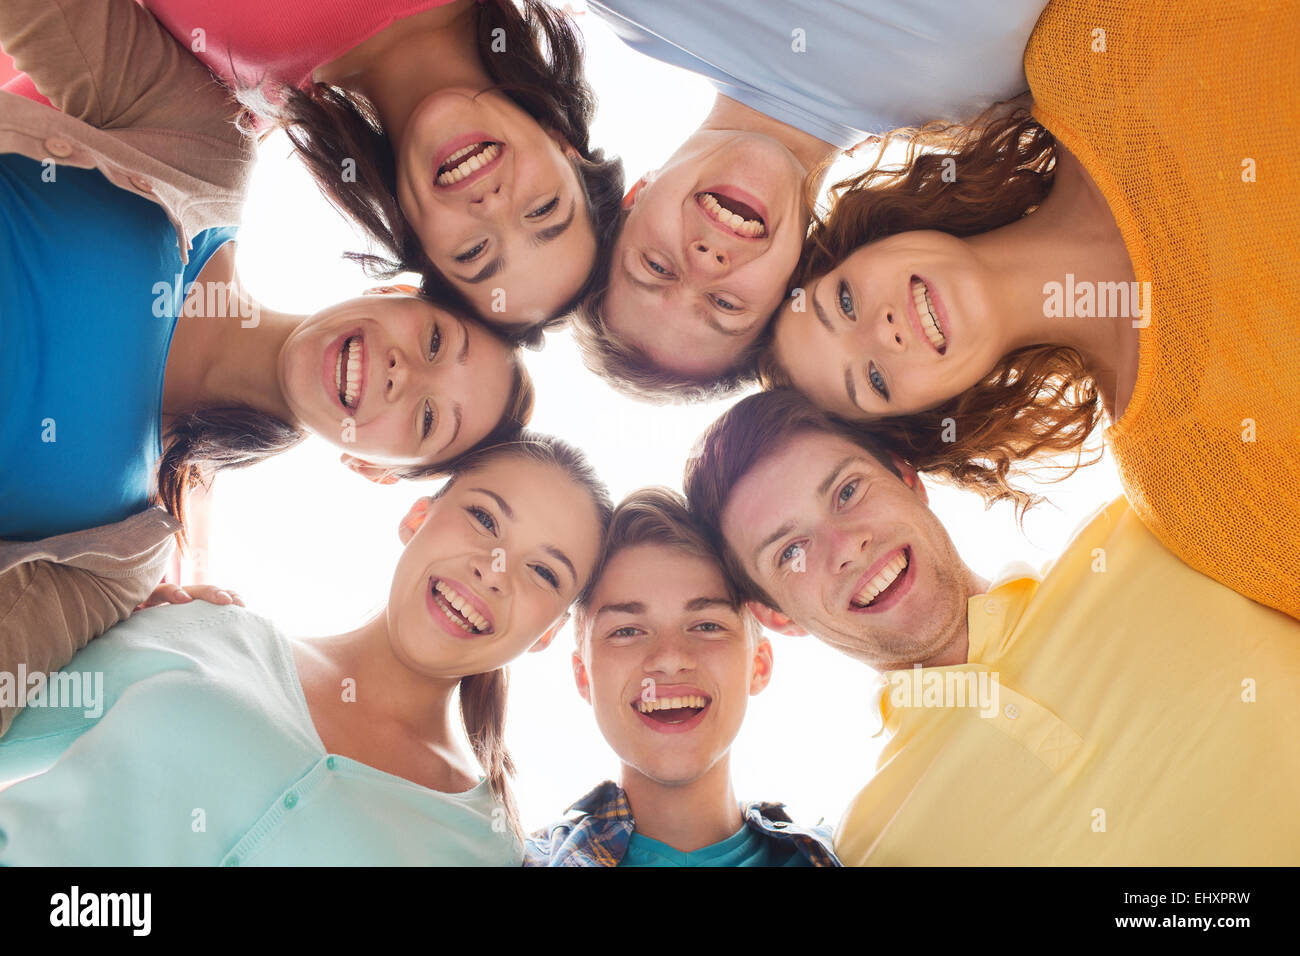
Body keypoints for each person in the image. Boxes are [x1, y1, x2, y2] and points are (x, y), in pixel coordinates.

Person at [761, 0, 1300, 619]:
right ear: (932, 414)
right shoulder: (1202, 487)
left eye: (845, 301)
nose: (881, 332)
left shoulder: (1096, 55)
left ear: (870, 240)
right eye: (875, 380)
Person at [682, 389, 1300, 864]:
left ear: (906, 477)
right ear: (776, 616)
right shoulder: (874, 846)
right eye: (790, 552)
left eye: (846, 492)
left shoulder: (1156, 526)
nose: (845, 547)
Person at [0, 434, 612, 865]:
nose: (494, 569)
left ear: (552, 632)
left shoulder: (485, 847)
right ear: (417, 517)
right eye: (484, 519)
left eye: (544, 573)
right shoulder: (204, 630)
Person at [570, 0, 1048, 401]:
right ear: (791, 284)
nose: (705, 262)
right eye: (725, 303)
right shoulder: (988, 118)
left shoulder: (633, 11)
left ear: (637, 194)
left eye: (656, 267)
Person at [122, 0, 624, 338]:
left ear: (416, 238)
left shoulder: (234, 98)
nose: (492, 206)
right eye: (543, 209)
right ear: (565, 148)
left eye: (473, 252)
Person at [525, 488, 838, 866]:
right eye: (626, 631)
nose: (670, 659)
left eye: (706, 625)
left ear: (759, 665)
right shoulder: (510, 860)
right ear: (584, 677)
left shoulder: (850, 855)